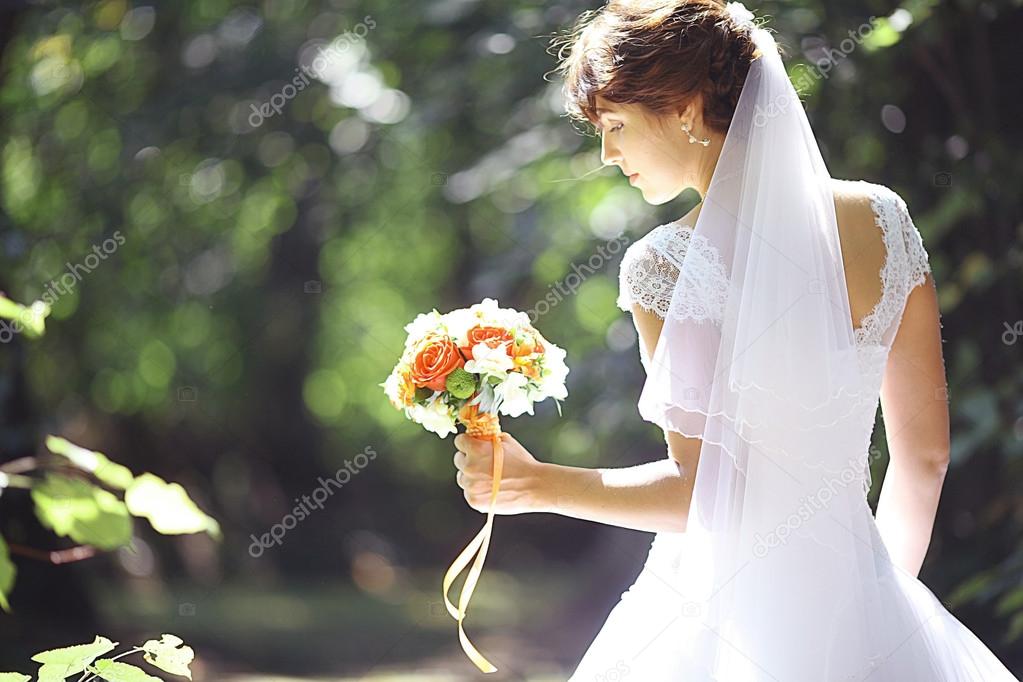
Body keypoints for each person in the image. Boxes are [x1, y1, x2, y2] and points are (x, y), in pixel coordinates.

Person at [453, 1, 1020, 679]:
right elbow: (924, 457)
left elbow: (705, 494)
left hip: (718, 624)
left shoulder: (665, 265)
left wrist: (535, 484)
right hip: (865, 603)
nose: (605, 155)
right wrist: (876, 604)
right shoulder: (883, 221)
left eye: (613, 126)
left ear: (687, 106)